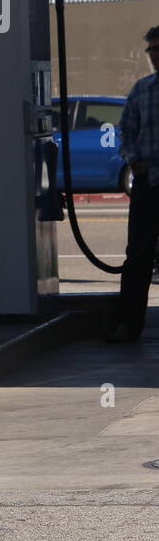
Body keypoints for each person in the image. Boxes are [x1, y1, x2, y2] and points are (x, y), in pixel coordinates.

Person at [110, 25, 159, 343]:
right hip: (148, 182)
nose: (155, 54)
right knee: (138, 255)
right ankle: (129, 324)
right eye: (151, 49)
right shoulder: (143, 89)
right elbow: (125, 129)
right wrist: (132, 158)